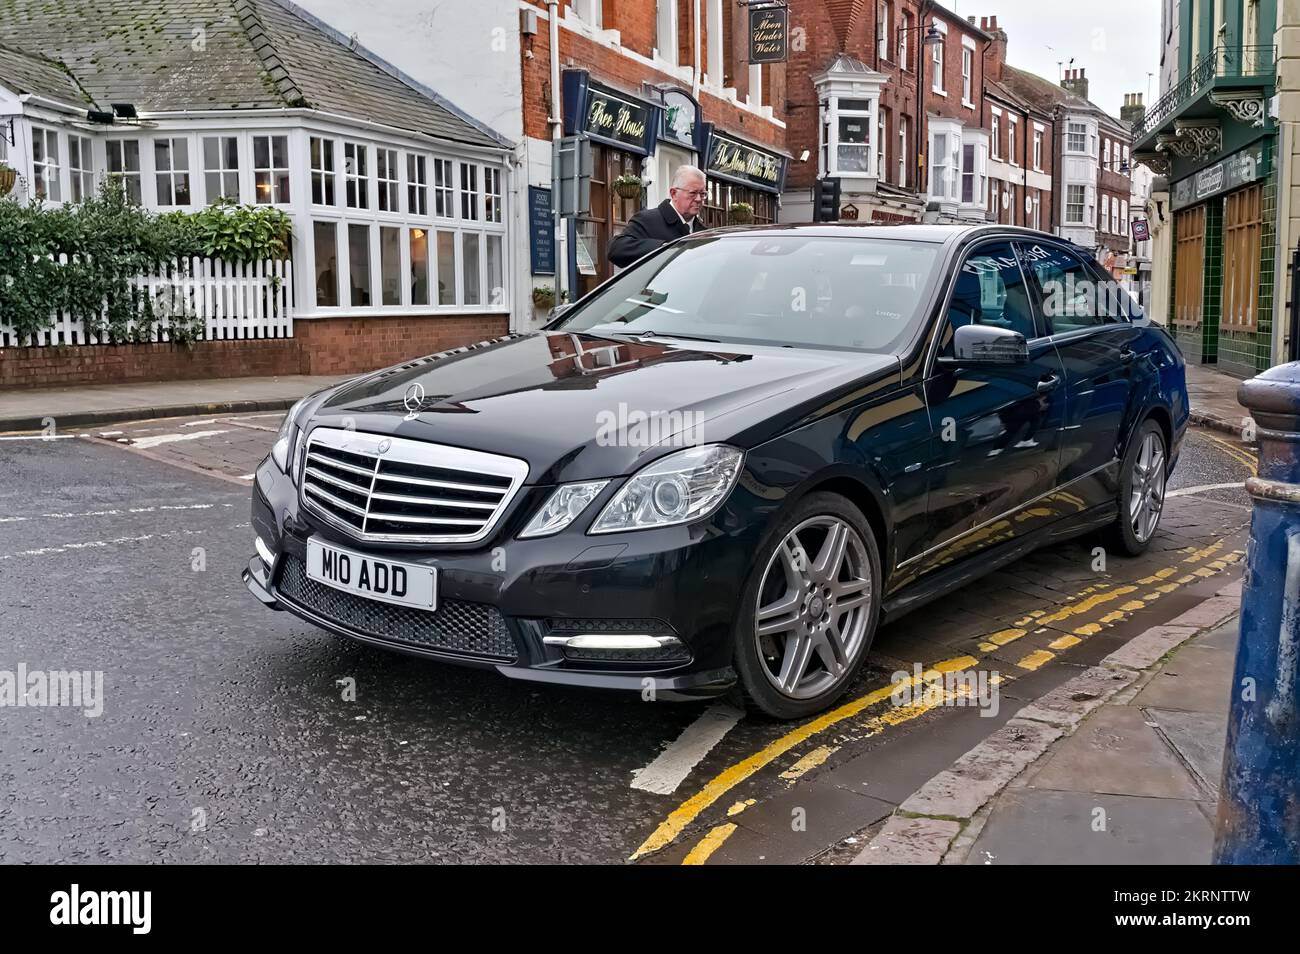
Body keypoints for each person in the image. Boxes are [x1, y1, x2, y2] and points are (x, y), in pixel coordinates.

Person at [608, 165, 707, 268]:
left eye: (703, 194)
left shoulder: (705, 233)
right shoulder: (647, 220)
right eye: (693, 193)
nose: (699, 199)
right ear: (673, 194)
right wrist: (663, 248)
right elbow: (616, 249)